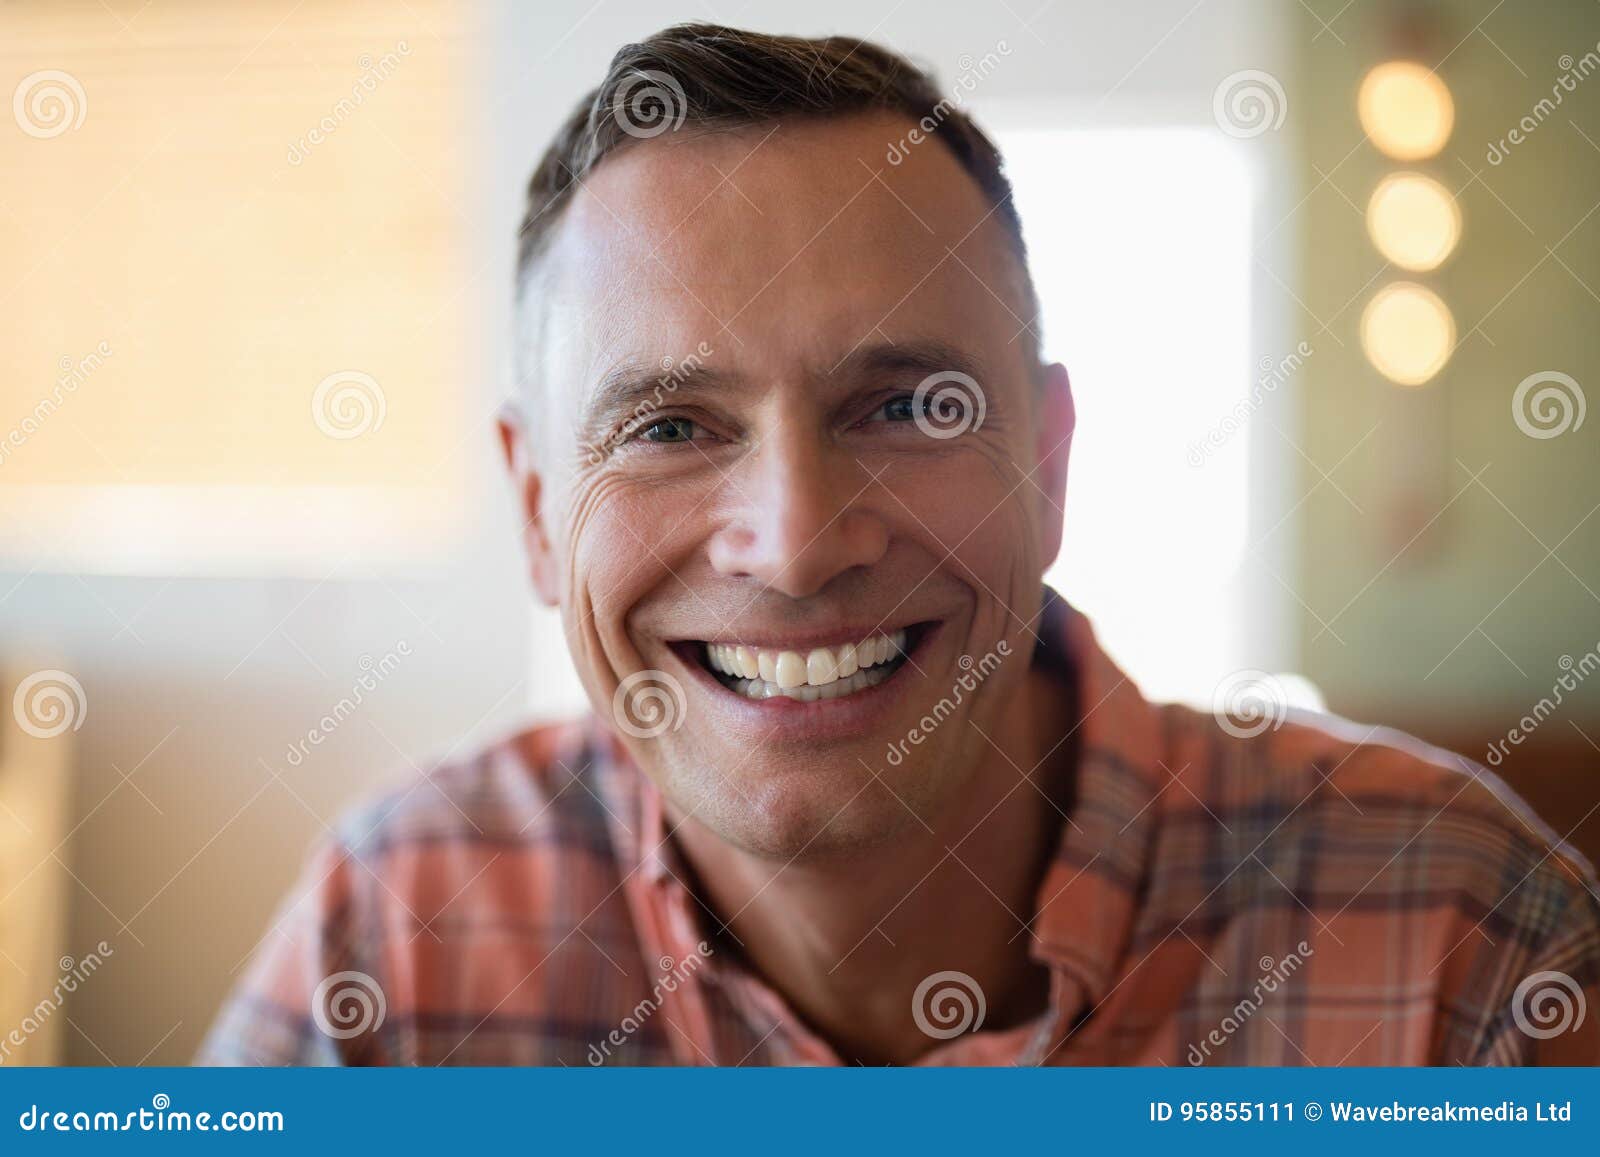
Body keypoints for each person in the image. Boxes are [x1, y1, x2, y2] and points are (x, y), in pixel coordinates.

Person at [201, 23, 1600, 1066]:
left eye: (903, 405)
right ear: (530, 511)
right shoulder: (393, 929)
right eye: (673, 426)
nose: (799, 544)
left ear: (1048, 464)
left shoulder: (1461, 938)